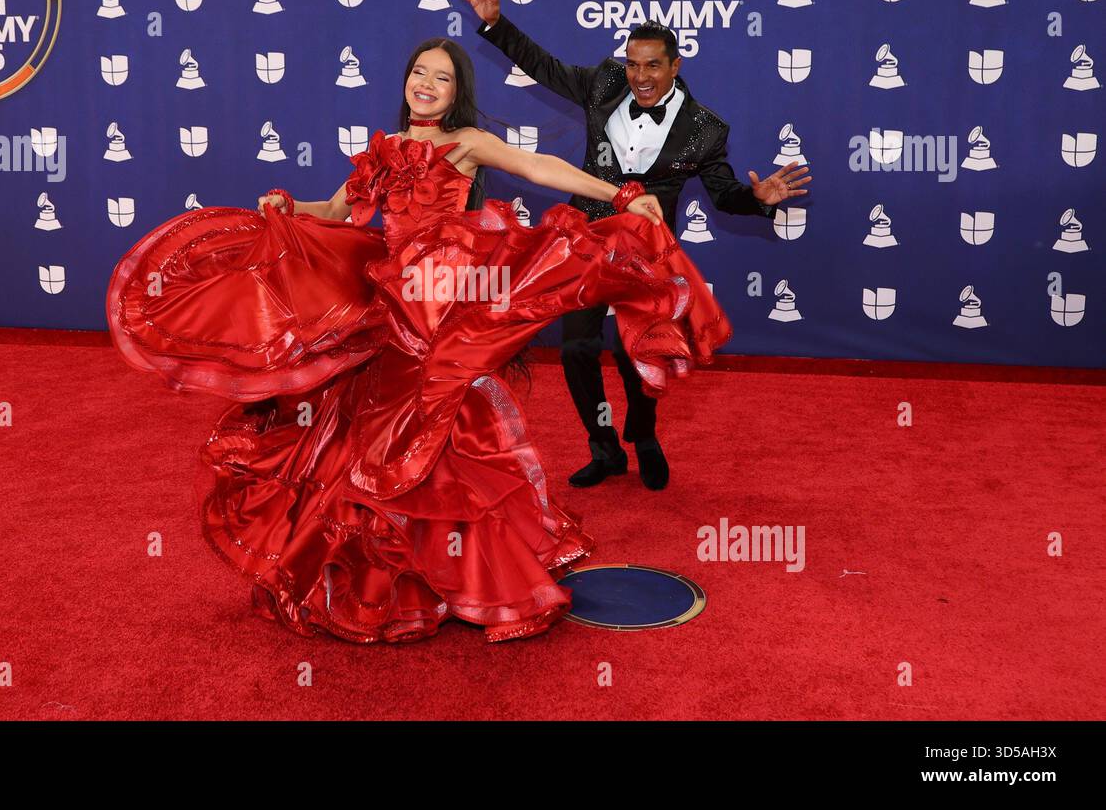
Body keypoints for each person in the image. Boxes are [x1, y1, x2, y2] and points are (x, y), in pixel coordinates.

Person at [106, 36, 731, 644]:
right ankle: (412, 580)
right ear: (405, 81)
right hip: (389, 305)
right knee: (367, 435)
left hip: (441, 306)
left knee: (441, 430)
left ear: (457, 92)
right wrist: (289, 206)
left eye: (442, 78)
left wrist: (620, 194)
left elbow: (539, 166)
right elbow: (334, 211)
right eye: (419, 74)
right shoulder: (383, 151)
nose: (427, 85)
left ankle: (475, 578)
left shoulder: (466, 143)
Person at [458, 0, 812, 492]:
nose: (639, 76)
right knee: (577, 348)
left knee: (638, 351)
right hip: (585, 238)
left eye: (652, 65)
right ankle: (603, 447)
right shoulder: (604, 83)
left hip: (647, 250)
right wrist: (495, 23)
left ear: (675, 66)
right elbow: (544, 66)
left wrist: (757, 199)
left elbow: (723, 194)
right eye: (632, 63)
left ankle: (643, 437)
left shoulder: (705, 129)